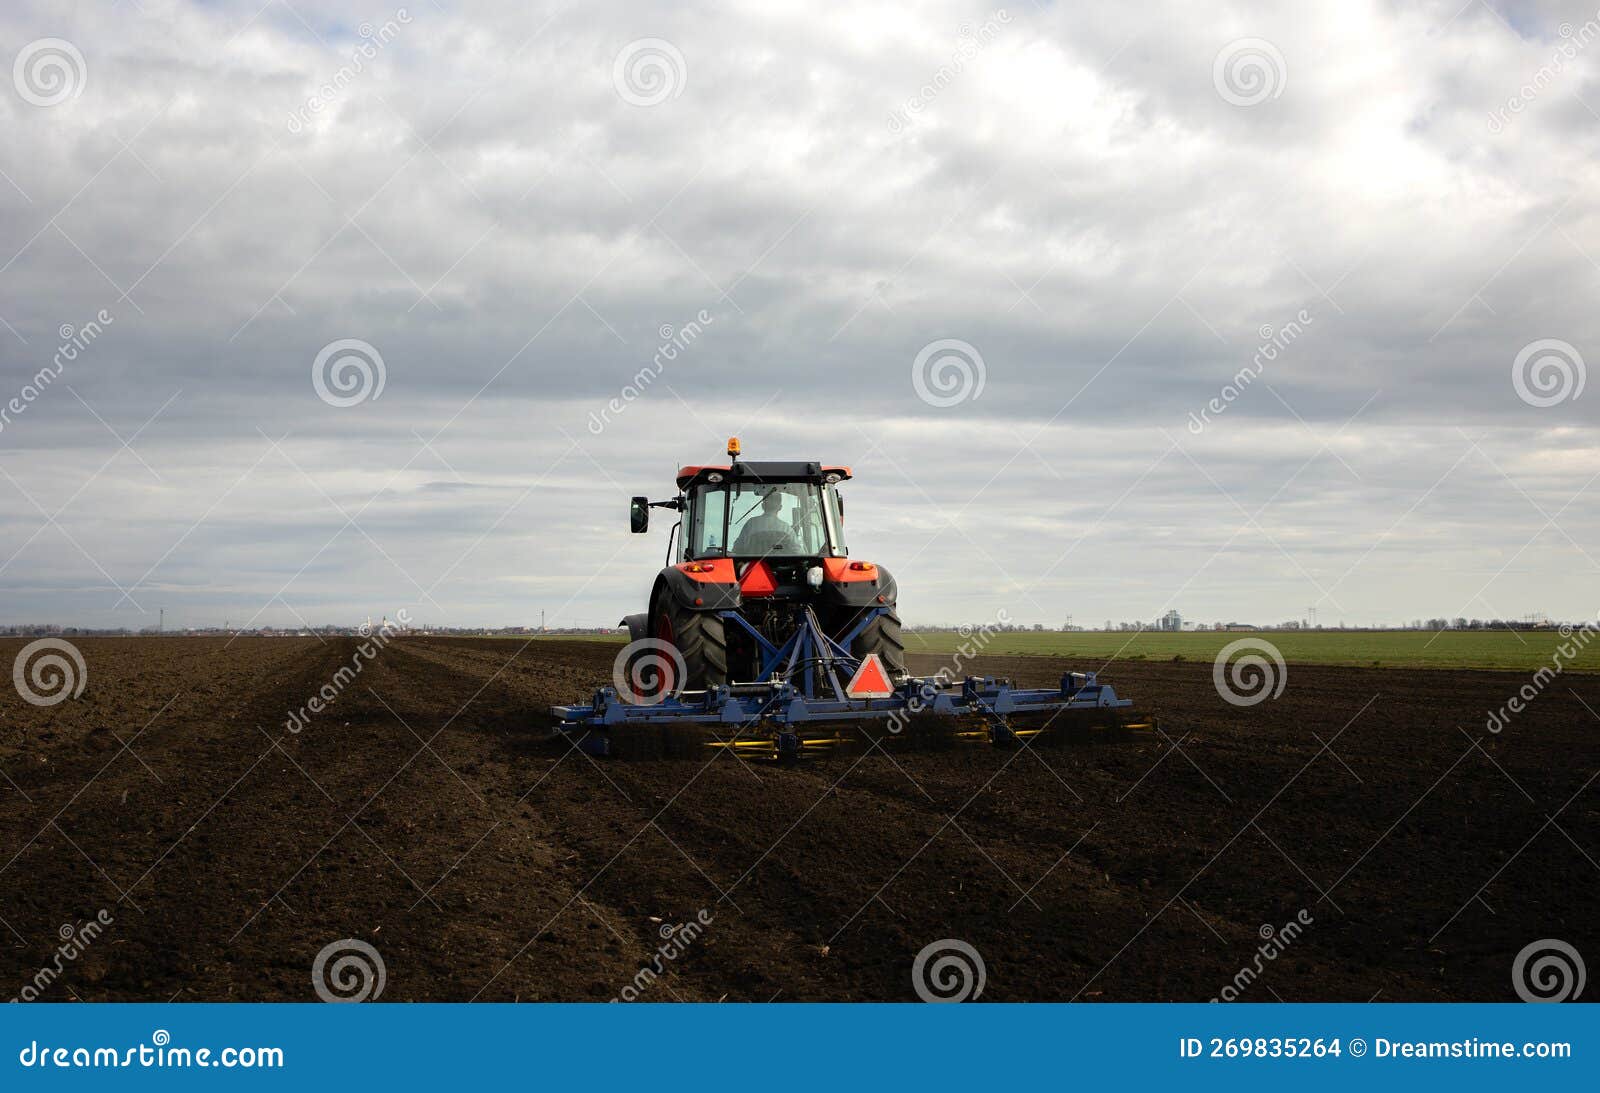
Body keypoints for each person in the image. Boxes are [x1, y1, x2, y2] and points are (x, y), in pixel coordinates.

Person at [733, 490, 790, 555]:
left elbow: (737, 549)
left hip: (753, 564)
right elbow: (798, 552)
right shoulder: (786, 528)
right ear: (780, 507)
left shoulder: (751, 524)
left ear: (762, 506)